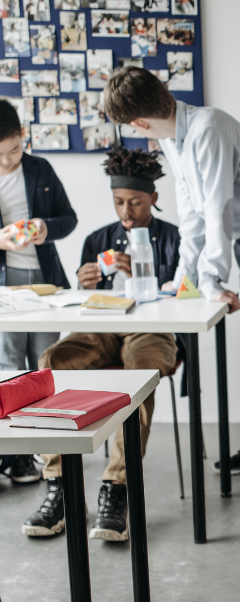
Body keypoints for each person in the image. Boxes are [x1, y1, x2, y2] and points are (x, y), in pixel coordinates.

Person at [103, 67, 240, 519]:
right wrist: (185, 280)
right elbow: (192, 216)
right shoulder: (173, 137)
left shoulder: (210, 129)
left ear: (138, 123)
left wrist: (210, 280)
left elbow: (217, 207)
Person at [22, 148, 180, 541]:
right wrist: (85, 282)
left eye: (136, 202)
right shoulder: (97, 239)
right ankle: (59, 485)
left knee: (139, 376)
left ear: (153, 199)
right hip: (102, 325)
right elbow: (80, 304)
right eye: (118, 202)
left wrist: (148, 275)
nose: (126, 211)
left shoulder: (174, 237)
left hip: (153, 329)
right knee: (52, 361)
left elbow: (185, 293)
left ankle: (118, 488)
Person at [0, 98, 77, 485]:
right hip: (4, 286)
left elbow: (69, 219)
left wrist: (45, 228)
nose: (9, 160)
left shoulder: (40, 169)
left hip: (46, 284)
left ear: (23, 137)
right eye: (0, 155)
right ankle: (18, 456)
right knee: (10, 368)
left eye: (14, 149)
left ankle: (52, 454)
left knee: (45, 363)